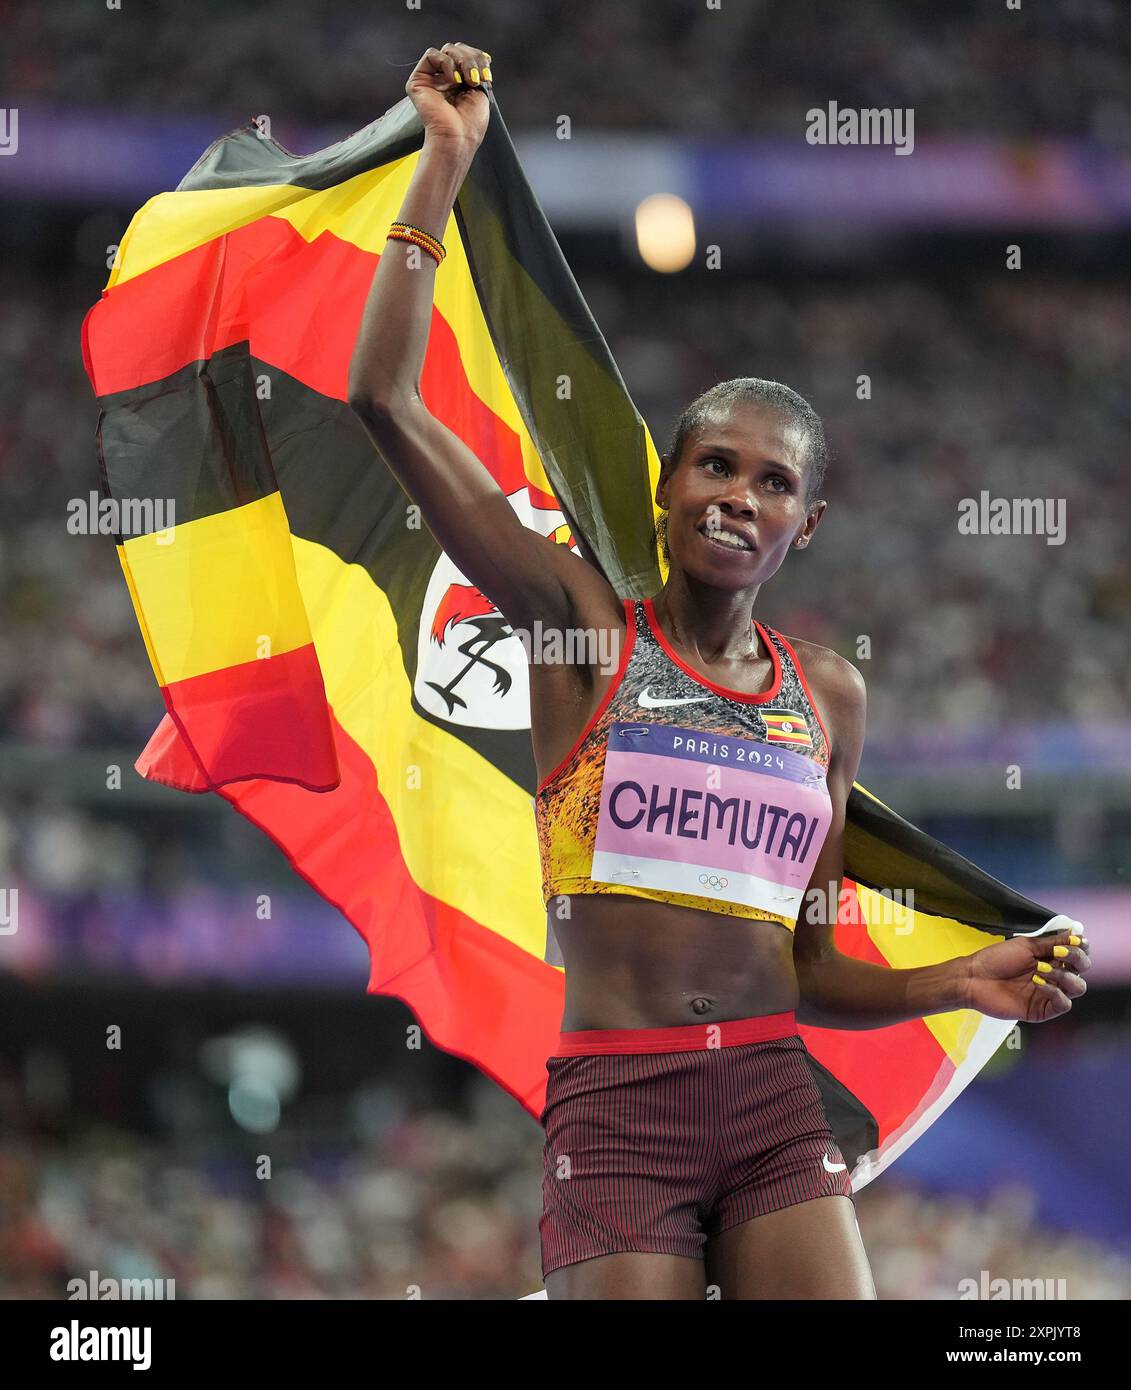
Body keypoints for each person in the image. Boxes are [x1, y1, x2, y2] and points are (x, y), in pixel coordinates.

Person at [347, 41, 1093, 1301]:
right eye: (715, 466)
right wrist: (443, 165)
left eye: (774, 482)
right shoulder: (579, 626)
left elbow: (804, 966)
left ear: (808, 525)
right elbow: (381, 395)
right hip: (617, 1114)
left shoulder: (826, 697)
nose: (739, 496)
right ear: (670, 485)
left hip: (770, 1102)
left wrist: (949, 979)